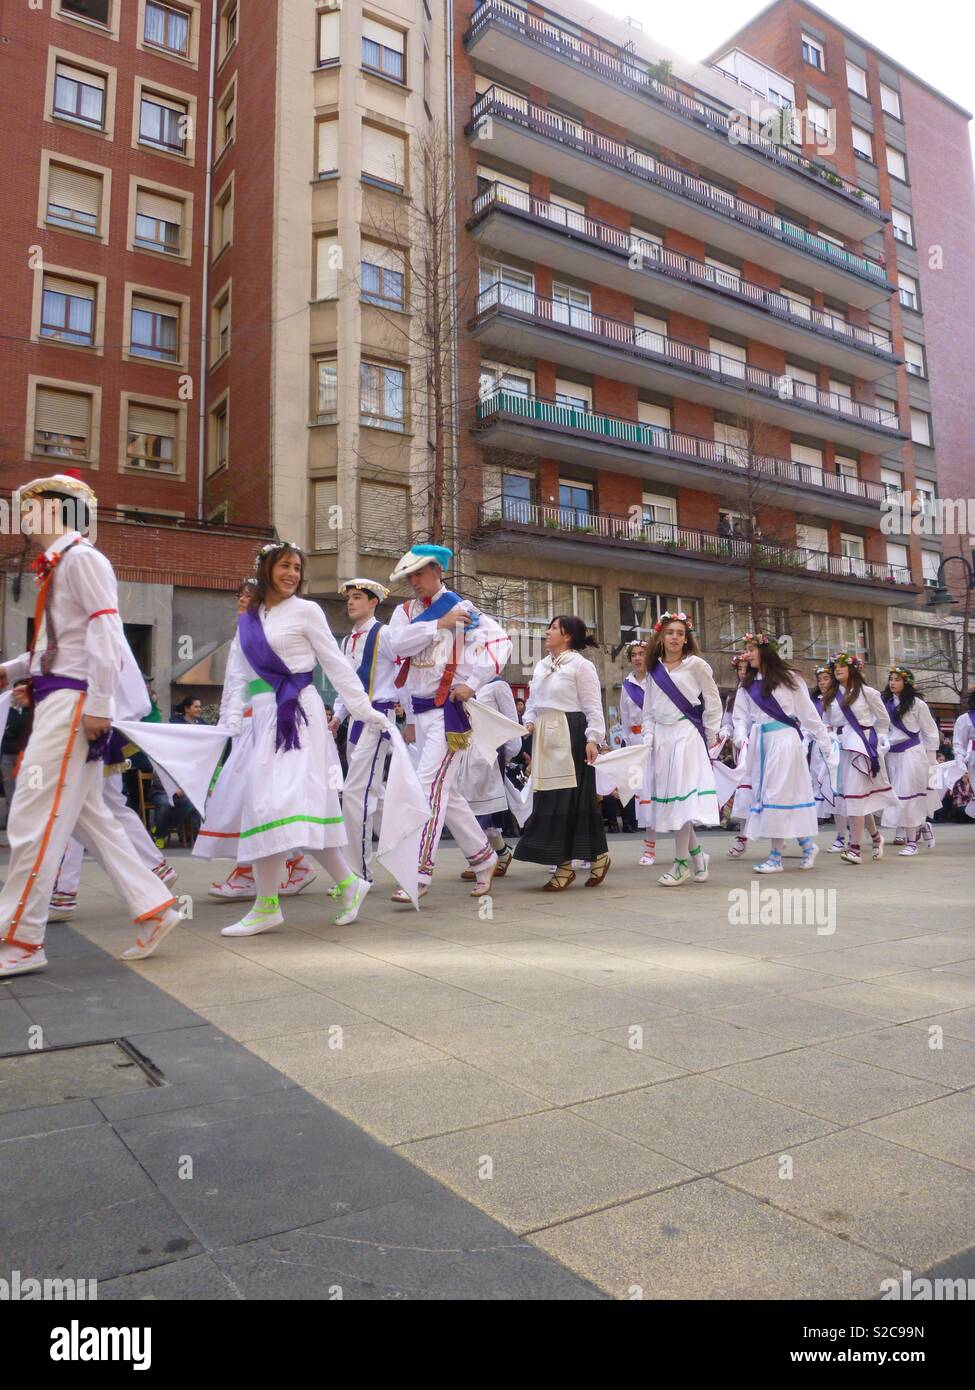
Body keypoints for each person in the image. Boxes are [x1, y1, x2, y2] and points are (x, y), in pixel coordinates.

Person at [0, 473, 181, 976]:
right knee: (85, 816)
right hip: (65, 699)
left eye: (30, 507)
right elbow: (66, 643)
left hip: (72, 704)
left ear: (57, 509)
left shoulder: (81, 559)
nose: (22, 518)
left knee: (33, 817)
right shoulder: (65, 563)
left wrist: (99, 702)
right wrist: (15, 671)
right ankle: (155, 907)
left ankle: (20, 939)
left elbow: (106, 632)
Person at [217, 542, 390, 937]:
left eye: (297, 567)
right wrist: (227, 726)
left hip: (298, 718)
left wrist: (365, 711)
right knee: (286, 809)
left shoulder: (307, 611)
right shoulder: (250, 619)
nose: (292, 573)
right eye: (284, 566)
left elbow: (338, 666)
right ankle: (349, 884)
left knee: (274, 806)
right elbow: (236, 675)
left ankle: (266, 906)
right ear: (266, 570)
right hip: (262, 721)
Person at [387, 544, 512, 903]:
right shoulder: (404, 612)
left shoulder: (463, 609)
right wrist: (437, 625)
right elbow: (399, 646)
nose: (414, 581)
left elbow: (500, 643)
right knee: (448, 793)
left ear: (436, 572)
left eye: (419, 574)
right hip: (422, 713)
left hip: (449, 713)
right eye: (410, 575)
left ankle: (419, 873)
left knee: (427, 788)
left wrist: (472, 683)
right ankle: (485, 858)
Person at [198, 579, 315, 900]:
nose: (242, 600)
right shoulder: (244, 630)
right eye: (240, 595)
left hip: (266, 722)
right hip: (245, 726)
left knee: (252, 796)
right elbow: (234, 683)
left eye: (249, 595)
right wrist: (227, 723)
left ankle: (249, 872)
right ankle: (295, 863)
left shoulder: (268, 631)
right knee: (246, 796)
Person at [514, 616, 609, 889]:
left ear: (567, 636)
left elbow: (593, 706)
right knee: (547, 799)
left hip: (571, 734)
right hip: (545, 735)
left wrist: (593, 739)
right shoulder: (542, 666)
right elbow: (533, 702)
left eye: (553, 628)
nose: (547, 631)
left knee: (569, 801)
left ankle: (568, 865)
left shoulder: (581, 665)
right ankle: (593, 858)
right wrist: (528, 722)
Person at [737, 634, 831, 873]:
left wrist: (824, 743)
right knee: (772, 796)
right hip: (762, 743)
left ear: (766, 651)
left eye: (751, 649)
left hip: (784, 741)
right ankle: (807, 846)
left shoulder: (790, 679)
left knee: (777, 795)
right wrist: (740, 737)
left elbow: (808, 714)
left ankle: (776, 857)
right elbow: (740, 715)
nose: (747, 654)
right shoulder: (747, 684)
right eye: (746, 649)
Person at [641, 611, 721, 886]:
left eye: (680, 633)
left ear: (686, 639)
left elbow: (712, 699)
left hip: (686, 736)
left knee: (683, 801)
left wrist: (711, 733)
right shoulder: (654, 670)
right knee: (676, 802)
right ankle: (698, 856)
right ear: (661, 637)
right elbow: (648, 709)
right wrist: (648, 738)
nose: (675, 637)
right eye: (670, 632)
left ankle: (680, 864)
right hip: (663, 739)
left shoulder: (696, 664)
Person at [328, 577, 398, 882]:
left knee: (358, 795)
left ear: (374, 602)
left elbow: (404, 670)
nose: (351, 602)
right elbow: (347, 684)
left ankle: (359, 874)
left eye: (358, 597)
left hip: (377, 720)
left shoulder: (386, 635)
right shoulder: (347, 640)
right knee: (376, 796)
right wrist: (337, 716)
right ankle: (408, 854)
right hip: (356, 721)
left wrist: (405, 712)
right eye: (349, 598)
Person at [828, 652, 898, 866]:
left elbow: (883, 720)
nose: (837, 669)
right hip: (842, 747)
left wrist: (879, 738)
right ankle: (876, 838)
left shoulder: (868, 692)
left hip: (862, 746)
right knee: (853, 797)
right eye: (835, 667)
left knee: (855, 796)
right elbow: (827, 722)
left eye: (842, 666)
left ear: (852, 669)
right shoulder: (831, 695)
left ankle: (855, 848)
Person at [455, 676, 523, 881]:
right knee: (470, 807)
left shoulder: (498, 685)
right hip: (467, 751)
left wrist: (510, 751)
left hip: (489, 753)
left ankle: (483, 859)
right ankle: (500, 854)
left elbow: (510, 721)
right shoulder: (465, 683)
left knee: (483, 811)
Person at [881, 667, 941, 855]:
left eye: (897, 679)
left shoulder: (917, 704)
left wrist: (931, 759)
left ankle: (911, 843)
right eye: (891, 679)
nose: (892, 682)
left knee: (906, 794)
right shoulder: (885, 703)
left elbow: (930, 731)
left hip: (912, 753)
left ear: (905, 683)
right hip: (892, 754)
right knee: (900, 795)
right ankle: (923, 826)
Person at [619, 641, 656, 865]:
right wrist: (626, 744)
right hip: (634, 741)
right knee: (641, 793)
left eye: (642, 654)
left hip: (654, 740)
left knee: (656, 790)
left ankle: (686, 843)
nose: (638, 658)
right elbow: (624, 717)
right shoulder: (627, 685)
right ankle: (649, 846)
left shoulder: (655, 680)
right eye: (634, 655)